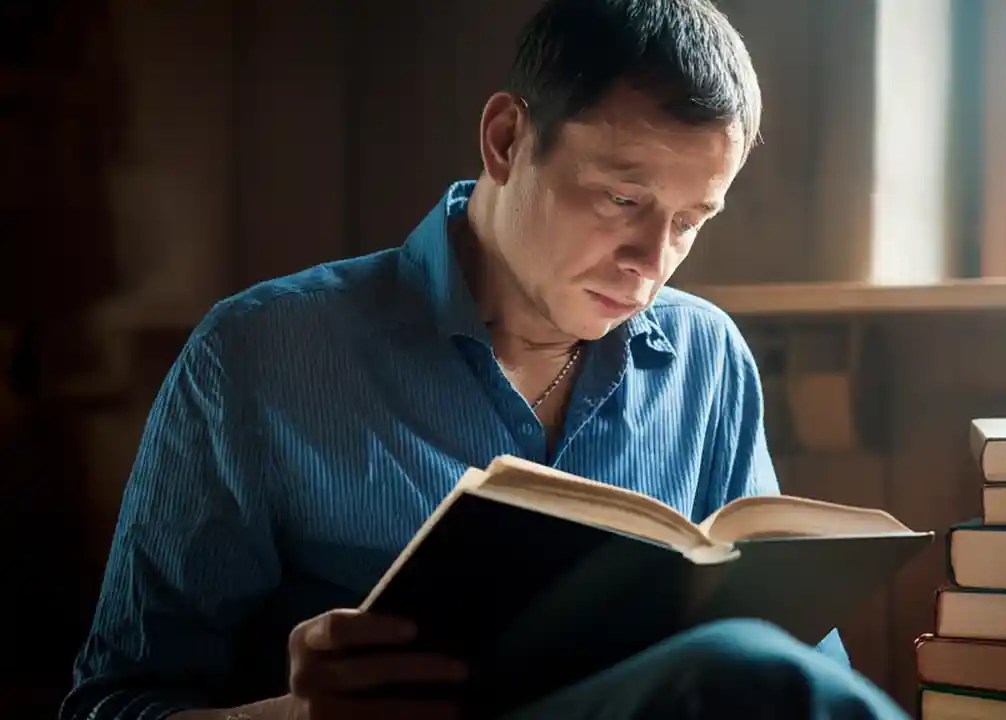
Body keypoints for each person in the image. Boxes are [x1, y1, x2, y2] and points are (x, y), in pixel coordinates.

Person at [61, 1, 910, 718]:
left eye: (692, 221)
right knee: (744, 670)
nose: (652, 260)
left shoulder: (706, 360)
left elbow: (811, 672)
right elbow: (114, 702)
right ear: (506, 139)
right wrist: (291, 715)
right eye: (622, 198)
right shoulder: (261, 355)